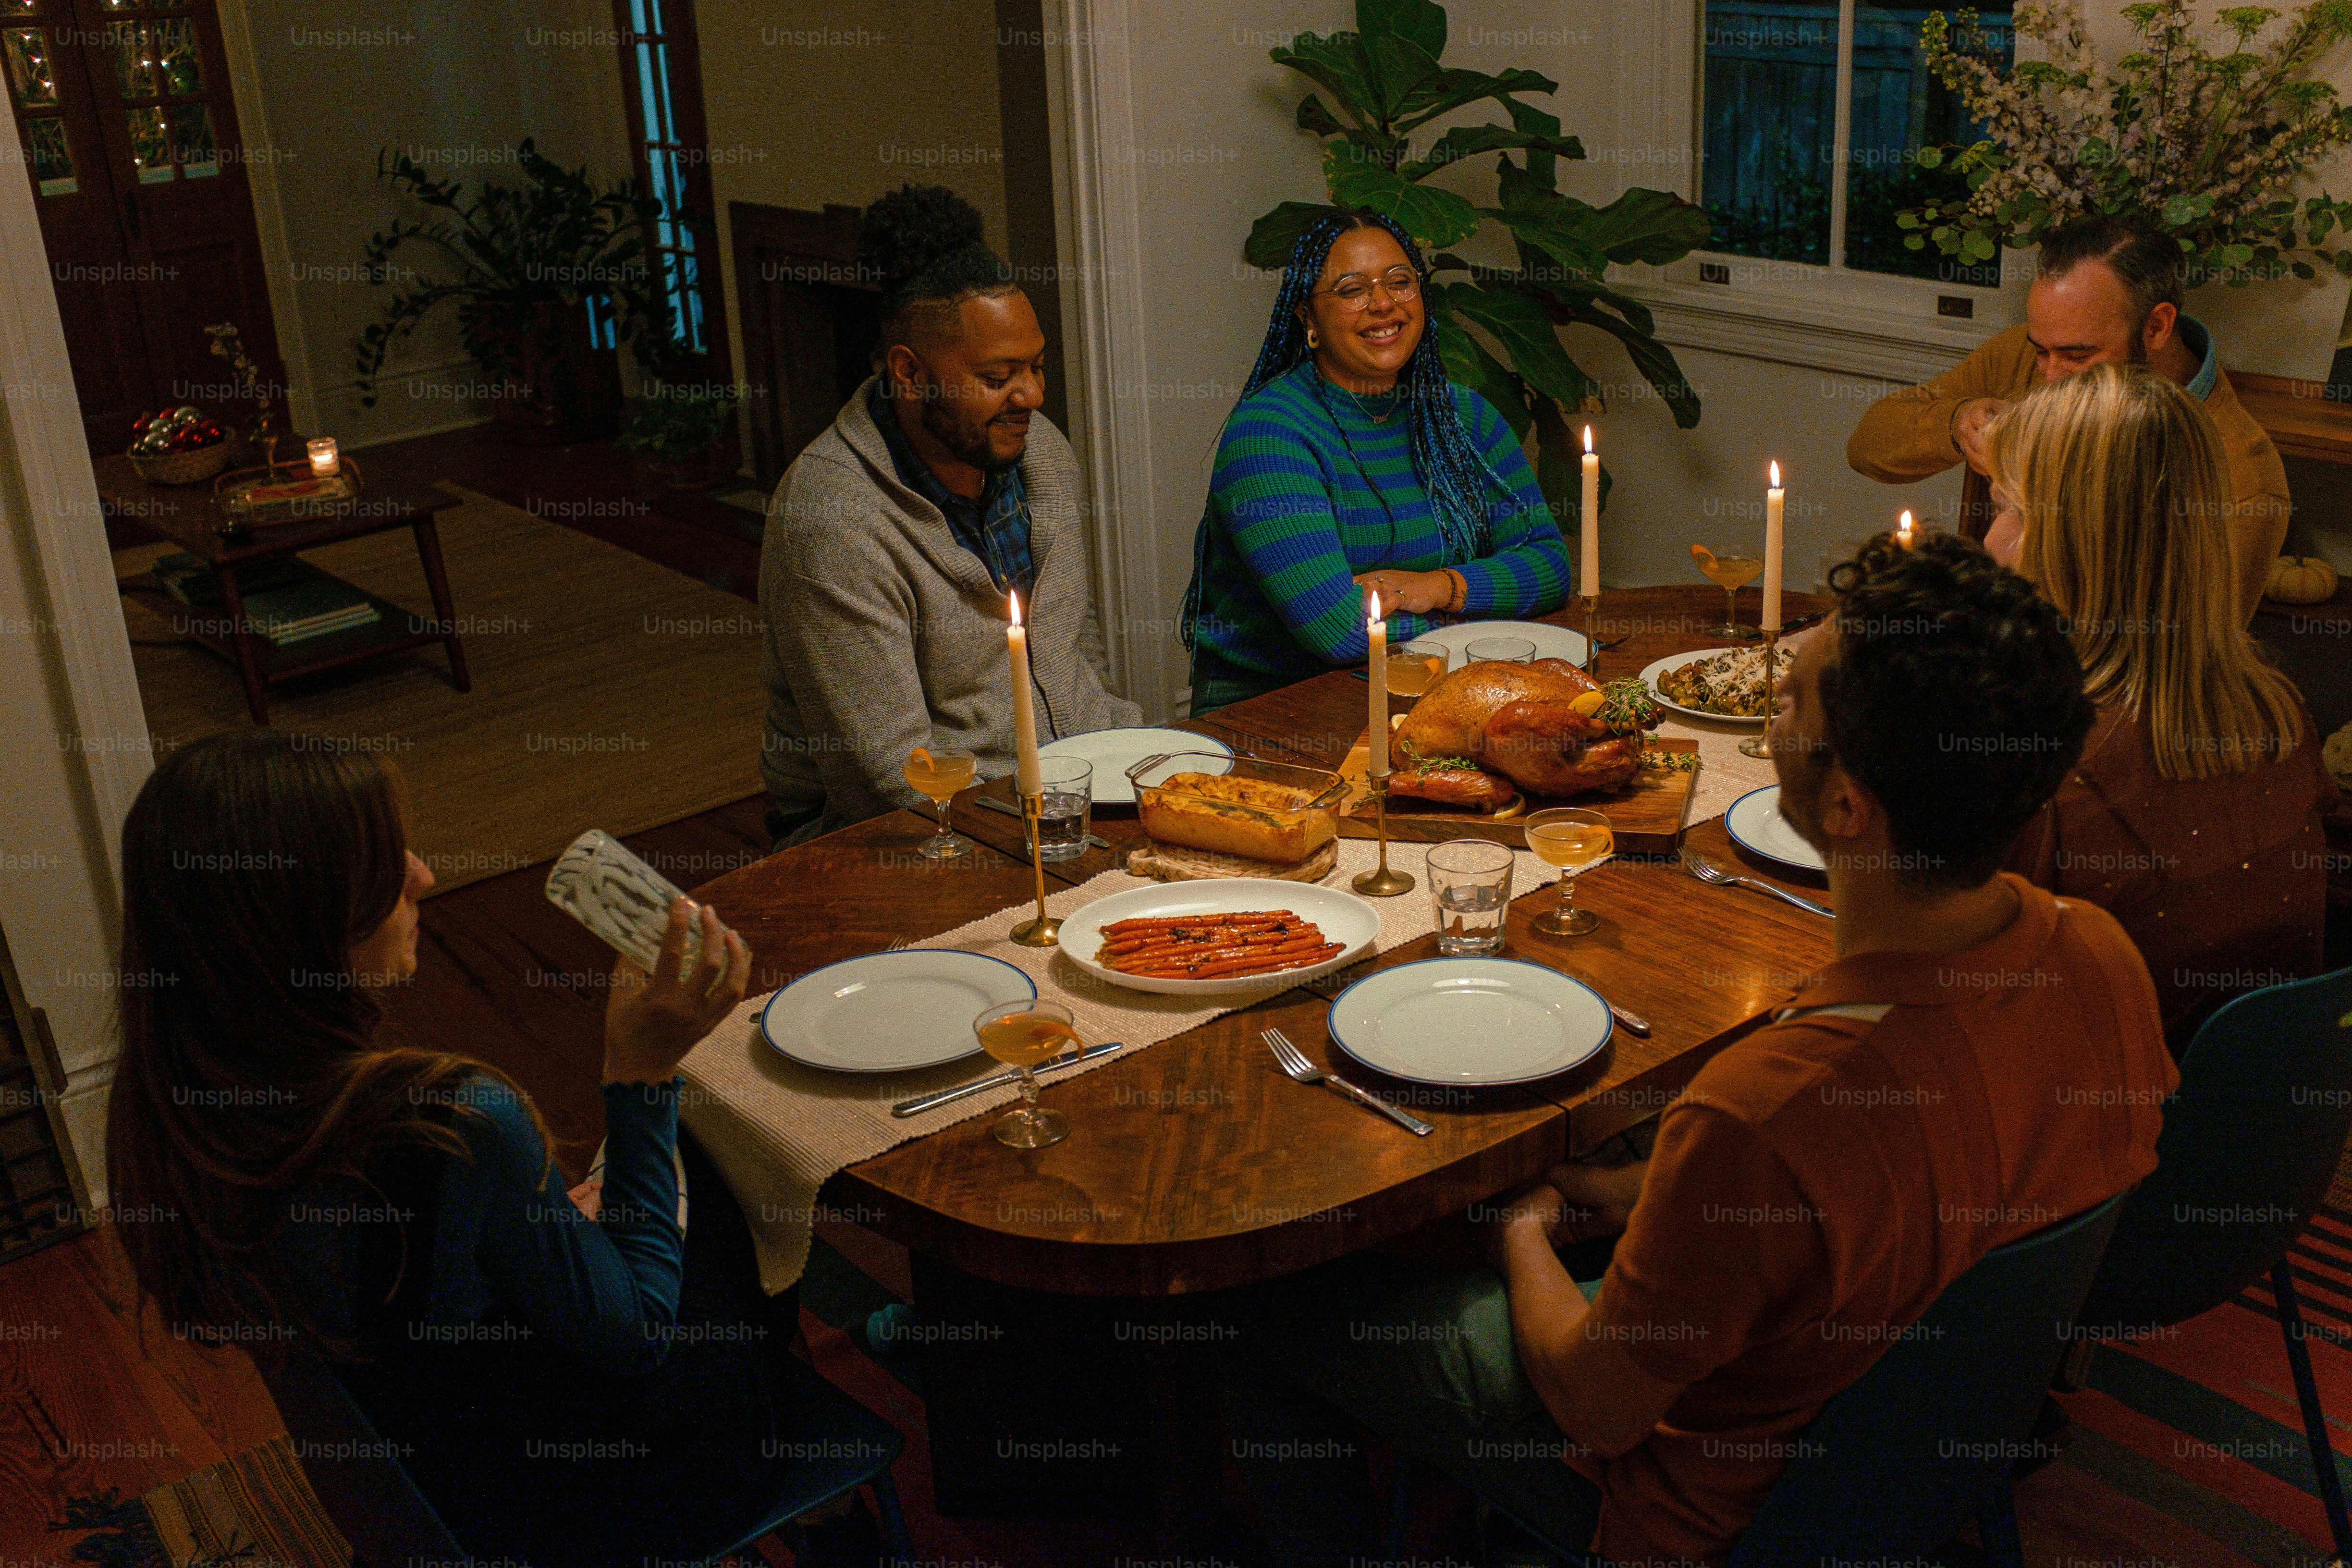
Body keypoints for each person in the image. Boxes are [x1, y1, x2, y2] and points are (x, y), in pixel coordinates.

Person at [1215, 535, 2179, 1567]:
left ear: (1846, 805)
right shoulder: (2098, 953)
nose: (1772, 711)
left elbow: (1595, 1405)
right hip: (1927, 1449)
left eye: (1791, 699)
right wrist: (1644, 1195)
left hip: (1710, 1513)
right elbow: (1890, 1191)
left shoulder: (1765, 1110)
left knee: (1267, 1307)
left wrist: (1518, 1231)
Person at [103, 732, 883, 1568]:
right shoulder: (452, 1119)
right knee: (720, 1167)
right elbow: (640, 1336)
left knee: (663, 1190)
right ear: (302, 917)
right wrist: (641, 1072)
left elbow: (412, 1301)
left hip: (425, 1484)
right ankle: (828, 1504)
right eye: (383, 861)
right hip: (589, 1505)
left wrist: (541, 1234)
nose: (423, 874)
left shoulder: (167, 1112)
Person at [759, 184, 1138, 845]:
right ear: (909, 374)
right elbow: (886, 780)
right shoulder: (832, 520)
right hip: (906, 831)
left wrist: (1116, 771)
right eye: (997, 378)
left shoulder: (1042, 453)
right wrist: (1066, 831)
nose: (1032, 396)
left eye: (1037, 367)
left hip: (1072, 797)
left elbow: (1075, 639)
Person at [1985, 364, 2333, 1055]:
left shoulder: (2048, 772)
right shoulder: (2280, 712)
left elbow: (1965, 1003)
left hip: (2100, 1114)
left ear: (2071, 543)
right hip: (2261, 1110)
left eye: (2007, 509)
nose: (1991, 539)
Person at [1179, 208, 1572, 711]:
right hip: (1277, 715)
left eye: (1399, 281)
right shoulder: (1270, 434)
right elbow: (1342, 632)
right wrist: (1490, 612)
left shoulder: (1464, 417)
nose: (1383, 303)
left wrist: (1436, 587)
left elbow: (1550, 566)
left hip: (1426, 698)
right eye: (1352, 290)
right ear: (1308, 317)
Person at [1847, 211, 2290, 627]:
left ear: (2156, 327)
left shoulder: (2244, 479)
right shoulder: (2027, 356)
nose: (2051, 377)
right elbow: (1868, 447)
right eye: (2041, 351)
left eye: (2079, 356)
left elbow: (2187, 655)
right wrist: (1956, 424)